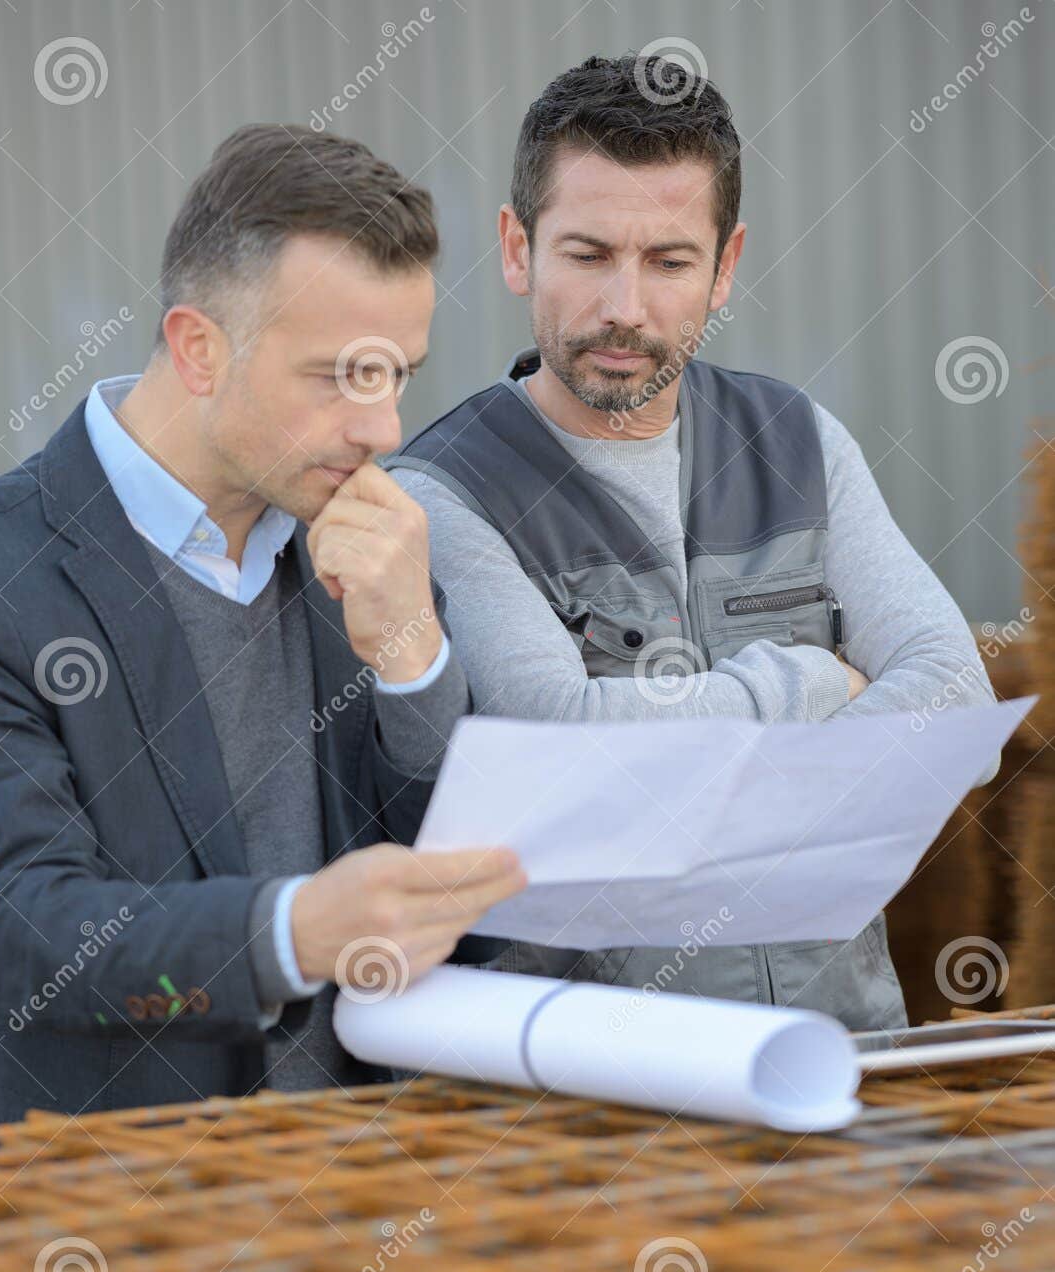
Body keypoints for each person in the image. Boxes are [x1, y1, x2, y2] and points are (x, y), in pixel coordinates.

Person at [389, 55, 998, 1031]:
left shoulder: (796, 441)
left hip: (836, 1057)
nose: (624, 307)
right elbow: (566, 740)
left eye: (668, 262)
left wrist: (672, 764)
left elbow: (951, 696)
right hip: (595, 1096)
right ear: (516, 249)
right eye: (586, 254)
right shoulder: (445, 492)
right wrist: (811, 684)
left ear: (725, 268)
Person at [0, 124, 524, 1126]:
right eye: (338, 375)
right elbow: (26, 931)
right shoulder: (6, 576)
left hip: (381, 1201)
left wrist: (412, 655)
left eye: (397, 372)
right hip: (125, 1224)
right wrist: (291, 932)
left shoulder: (370, 543)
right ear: (198, 348)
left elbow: (473, 905)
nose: (384, 431)